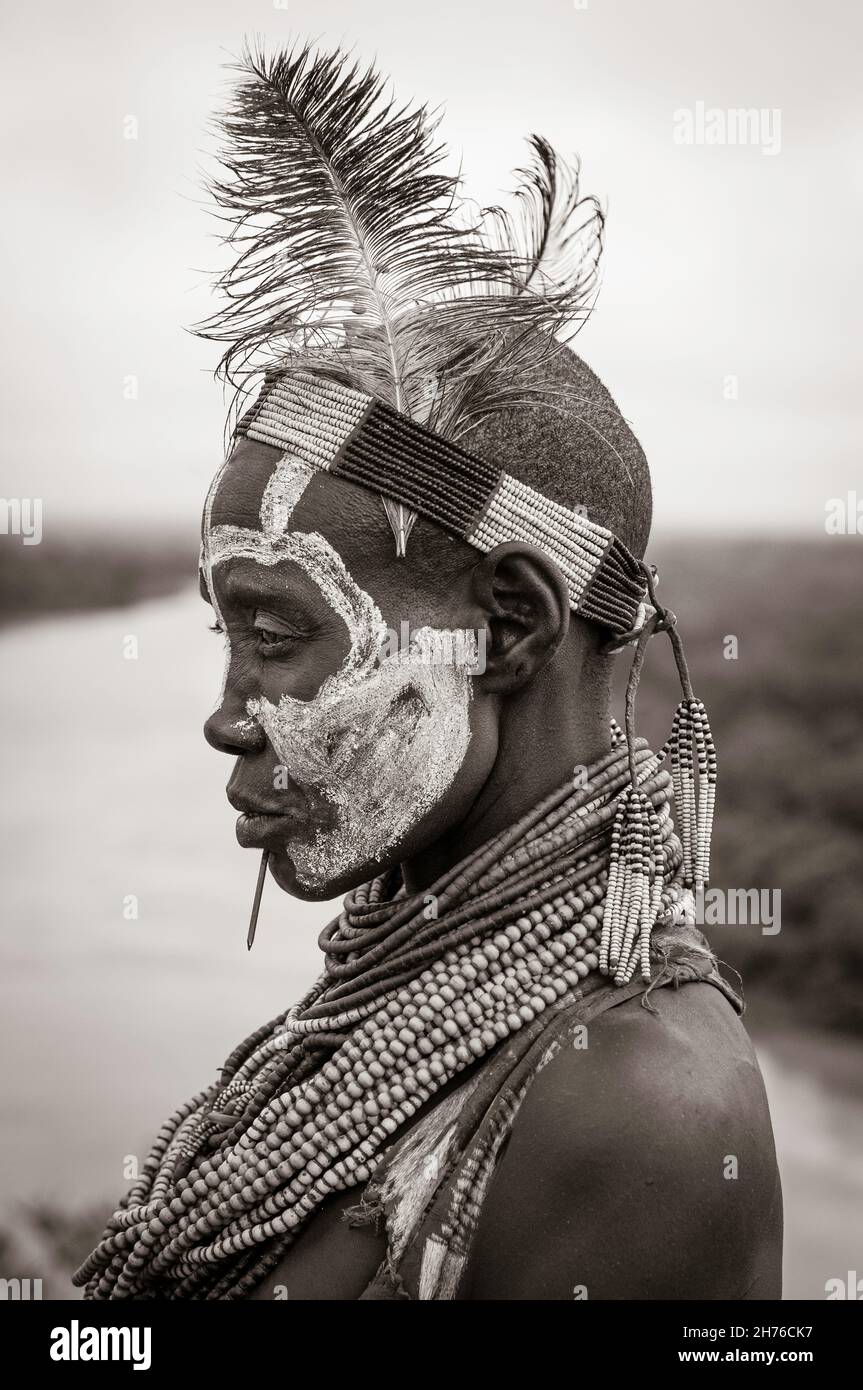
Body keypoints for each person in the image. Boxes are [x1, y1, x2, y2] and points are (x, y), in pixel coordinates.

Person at [75, 39, 781, 1301]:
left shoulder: (640, 1115)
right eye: (220, 632)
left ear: (508, 627)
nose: (226, 719)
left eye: (277, 633)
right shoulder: (392, 1003)